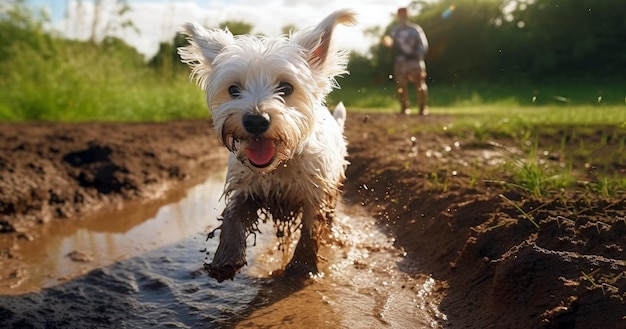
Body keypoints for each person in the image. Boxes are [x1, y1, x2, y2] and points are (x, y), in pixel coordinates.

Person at [383, 7, 429, 115]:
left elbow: (424, 46)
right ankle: (404, 107)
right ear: (398, 16)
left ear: (408, 15)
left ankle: (422, 108)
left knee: (420, 84)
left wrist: (415, 54)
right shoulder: (395, 31)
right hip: (401, 61)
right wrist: (388, 42)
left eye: (404, 14)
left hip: (414, 61)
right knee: (401, 84)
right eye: (401, 15)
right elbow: (391, 43)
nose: (403, 17)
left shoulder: (415, 29)